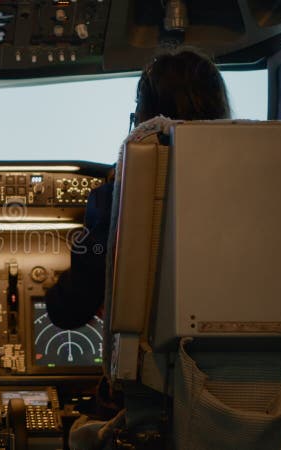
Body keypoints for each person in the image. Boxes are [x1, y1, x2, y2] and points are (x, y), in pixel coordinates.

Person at [44, 48, 231, 331]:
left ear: (145, 122)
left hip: (165, 368)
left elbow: (68, 310)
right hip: (276, 365)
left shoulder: (121, 199)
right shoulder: (269, 195)